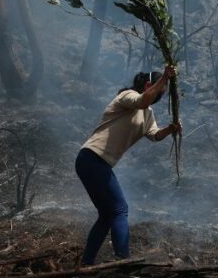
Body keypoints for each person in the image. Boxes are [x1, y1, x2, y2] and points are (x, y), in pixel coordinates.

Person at [75, 64, 181, 267]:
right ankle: (122, 259)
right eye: (160, 90)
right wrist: (165, 78)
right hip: (91, 158)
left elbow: (154, 135)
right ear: (150, 84)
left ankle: (87, 263)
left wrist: (170, 128)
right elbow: (143, 100)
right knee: (119, 209)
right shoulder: (127, 96)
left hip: (98, 163)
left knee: (107, 215)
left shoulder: (148, 113)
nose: (160, 95)